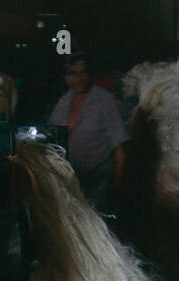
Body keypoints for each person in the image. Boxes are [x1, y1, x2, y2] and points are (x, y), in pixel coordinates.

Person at [47, 54, 128, 212]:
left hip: (99, 182)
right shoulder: (64, 101)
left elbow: (121, 148)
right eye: (72, 74)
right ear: (66, 77)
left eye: (83, 73)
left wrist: (118, 186)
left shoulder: (104, 101)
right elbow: (52, 135)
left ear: (91, 75)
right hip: (73, 180)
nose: (78, 79)